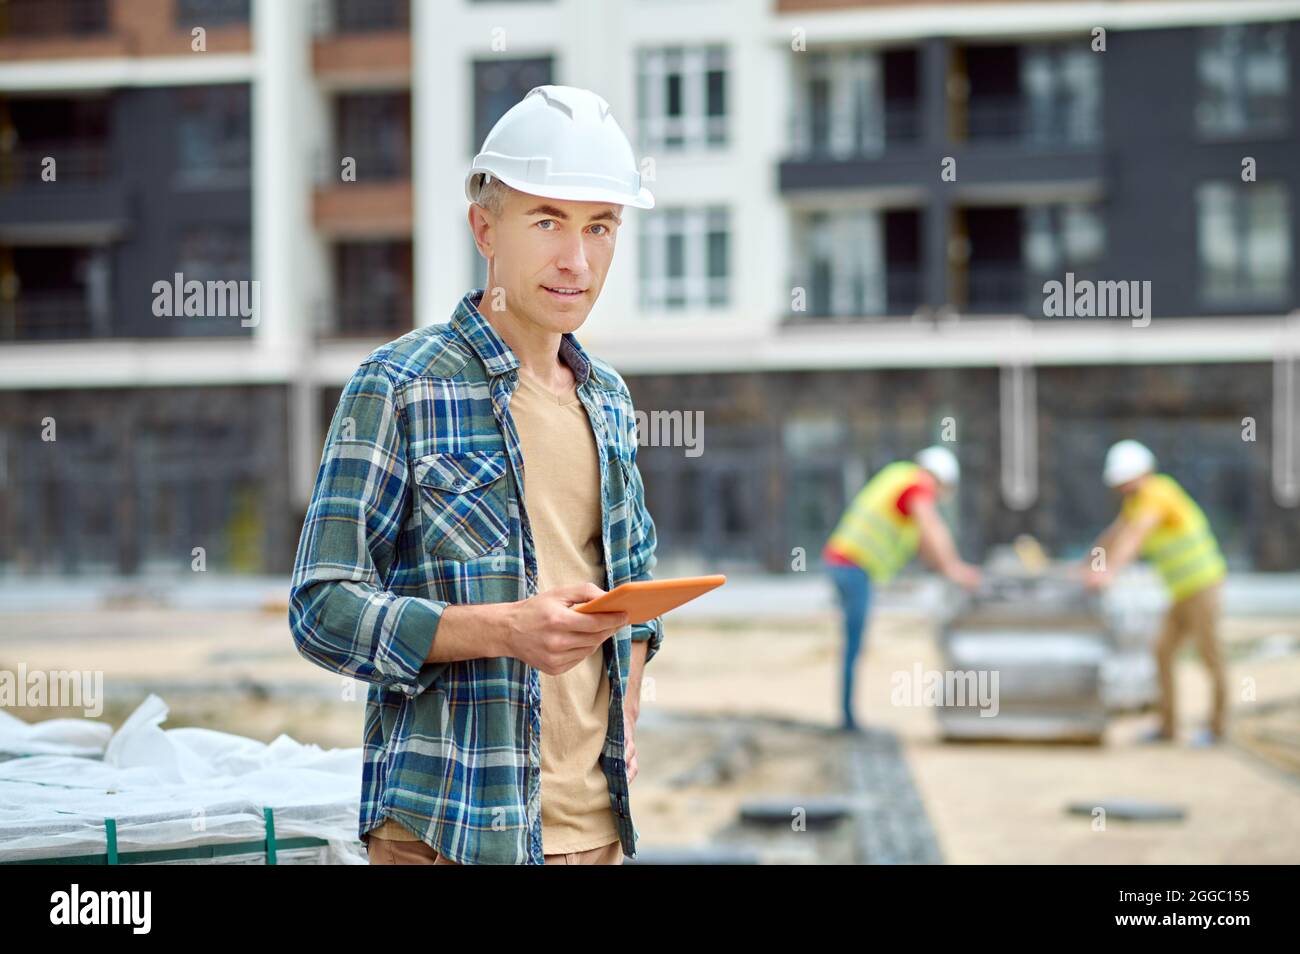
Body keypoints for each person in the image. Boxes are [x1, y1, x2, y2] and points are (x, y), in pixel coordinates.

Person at [289, 86, 662, 864]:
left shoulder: (609, 399)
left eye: (599, 226)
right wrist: (504, 630)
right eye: (547, 221)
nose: (577, 259)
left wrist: (627, 702)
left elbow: (633, 585)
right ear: (485, 228)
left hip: (594, 832)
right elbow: (321, 607)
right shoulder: (400, 384)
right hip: (447, 831)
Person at [821, 446, 982, 731]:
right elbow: (932, 528)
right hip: (851, 566)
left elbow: (925, 543)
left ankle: (847, 717)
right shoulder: (916, 484)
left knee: (853, 645)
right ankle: (847, 720)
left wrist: (945, 567)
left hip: (846, 564)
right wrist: (954, 568)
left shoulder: (900, 480)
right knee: (854, 645)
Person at [1083, 439, 1228, 747]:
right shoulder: (1135, 503)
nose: (1123, 487)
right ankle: (1167, 728)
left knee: (1210, 655)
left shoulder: (1159, 493)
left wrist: (1109, 572)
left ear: (1143, 472)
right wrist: (1088, 562)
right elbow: (1115, 535)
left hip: (1202, 584)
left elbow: (1135, 537)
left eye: (1126, 479)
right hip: (1179, 591)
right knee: (1162, 652)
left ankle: (1217, 729)